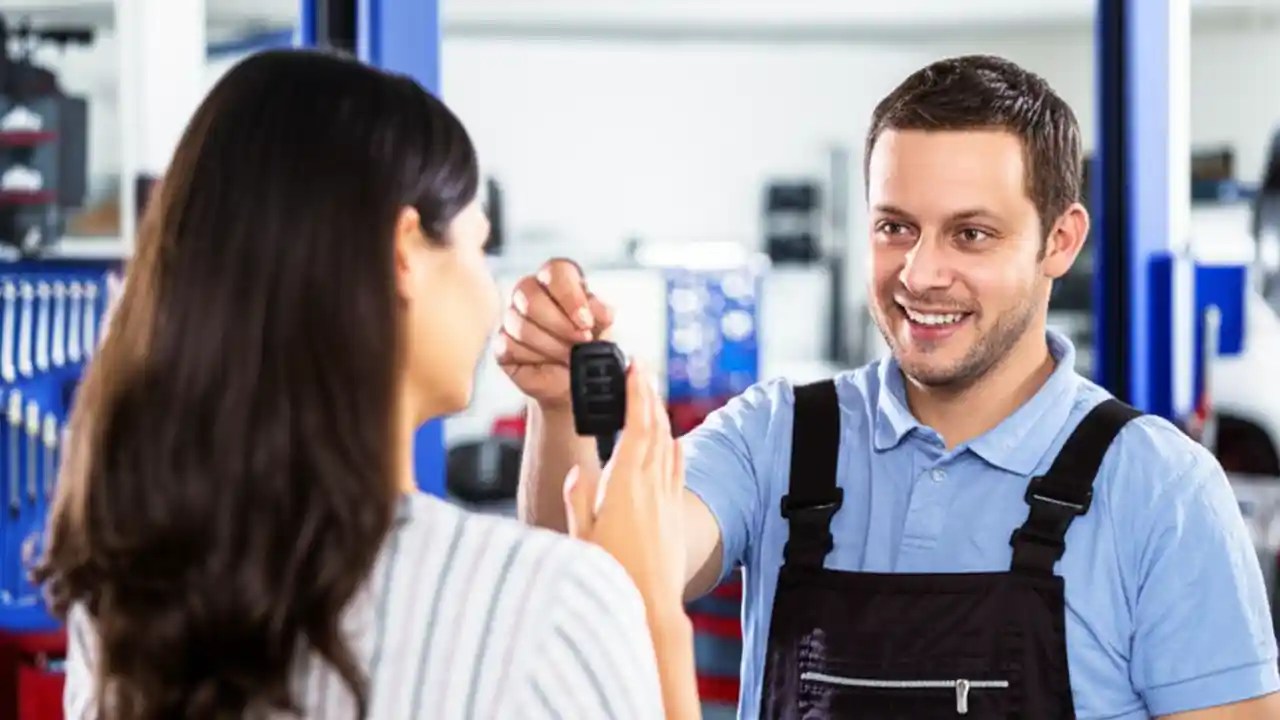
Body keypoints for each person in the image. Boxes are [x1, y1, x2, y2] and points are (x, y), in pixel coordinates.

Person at [503, 55, 1280, 718]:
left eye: (970, 234)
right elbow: (597, 582)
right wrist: (561, 403)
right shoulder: (778, 437)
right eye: (894, 226)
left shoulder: (1160, 489)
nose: (920, 273)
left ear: (1060, 240)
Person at [34, 49, 699, 720]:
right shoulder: (558, 606)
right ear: (404, 251)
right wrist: (651, 616)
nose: (491, 290)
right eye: (479, 247)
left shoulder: (126, 600)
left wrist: (556, 416)